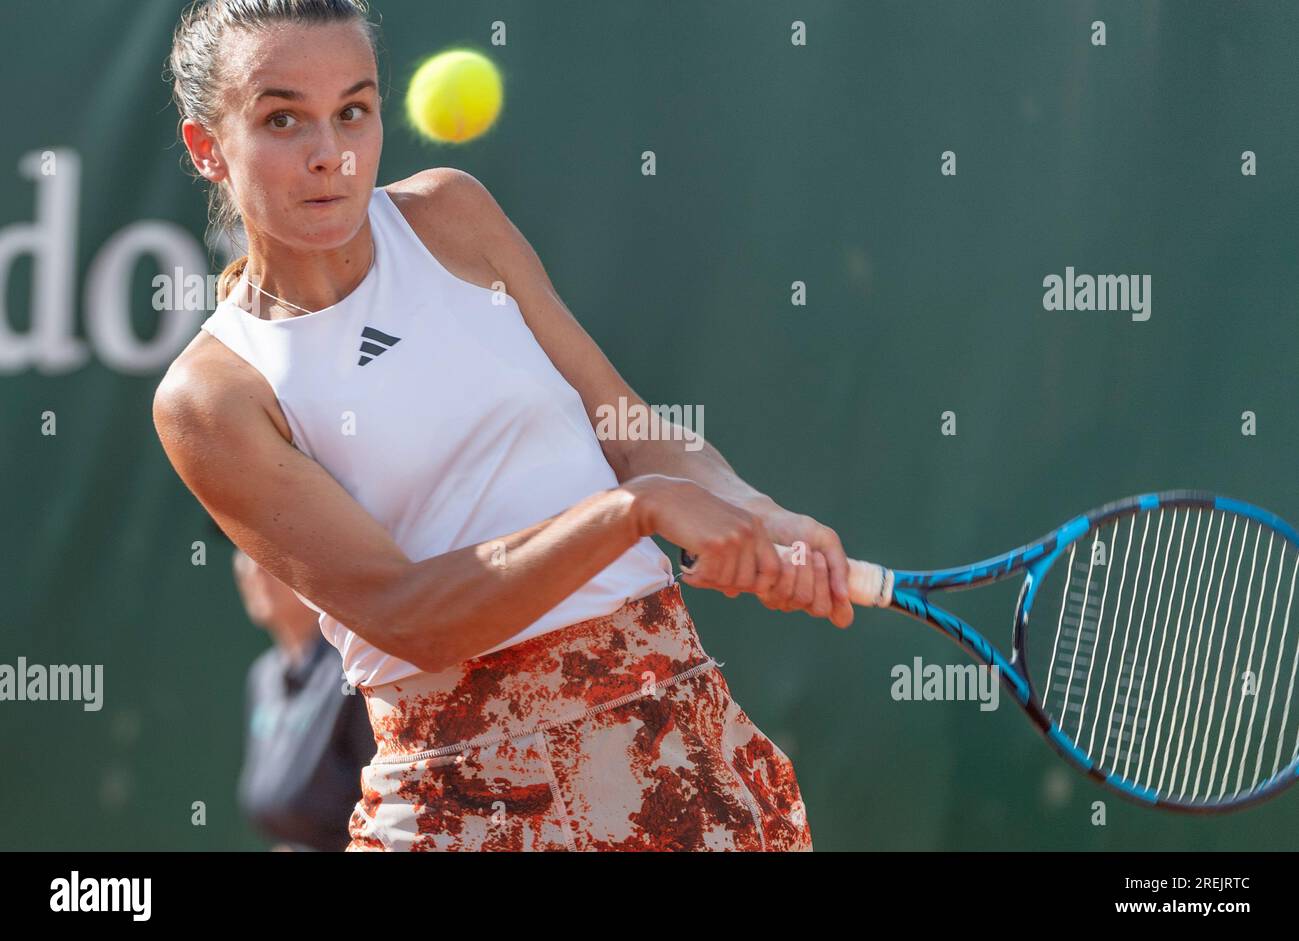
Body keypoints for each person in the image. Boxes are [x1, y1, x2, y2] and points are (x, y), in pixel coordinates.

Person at [155, 0, 854, 851]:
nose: (330, 152)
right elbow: (410, 615)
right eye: (281, 118)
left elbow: (626, 425)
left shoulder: (453, 216)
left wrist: (757, 511)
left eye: (353, 110)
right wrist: (632, 512)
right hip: (458, 801)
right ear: (207, 148)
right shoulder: (210, 396)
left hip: (680, 755)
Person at [230, 543, 375, 852]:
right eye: (240, 548)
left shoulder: (357, 666)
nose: (252, 567)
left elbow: (391, 803)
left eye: (265, 547)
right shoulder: (262, 676)